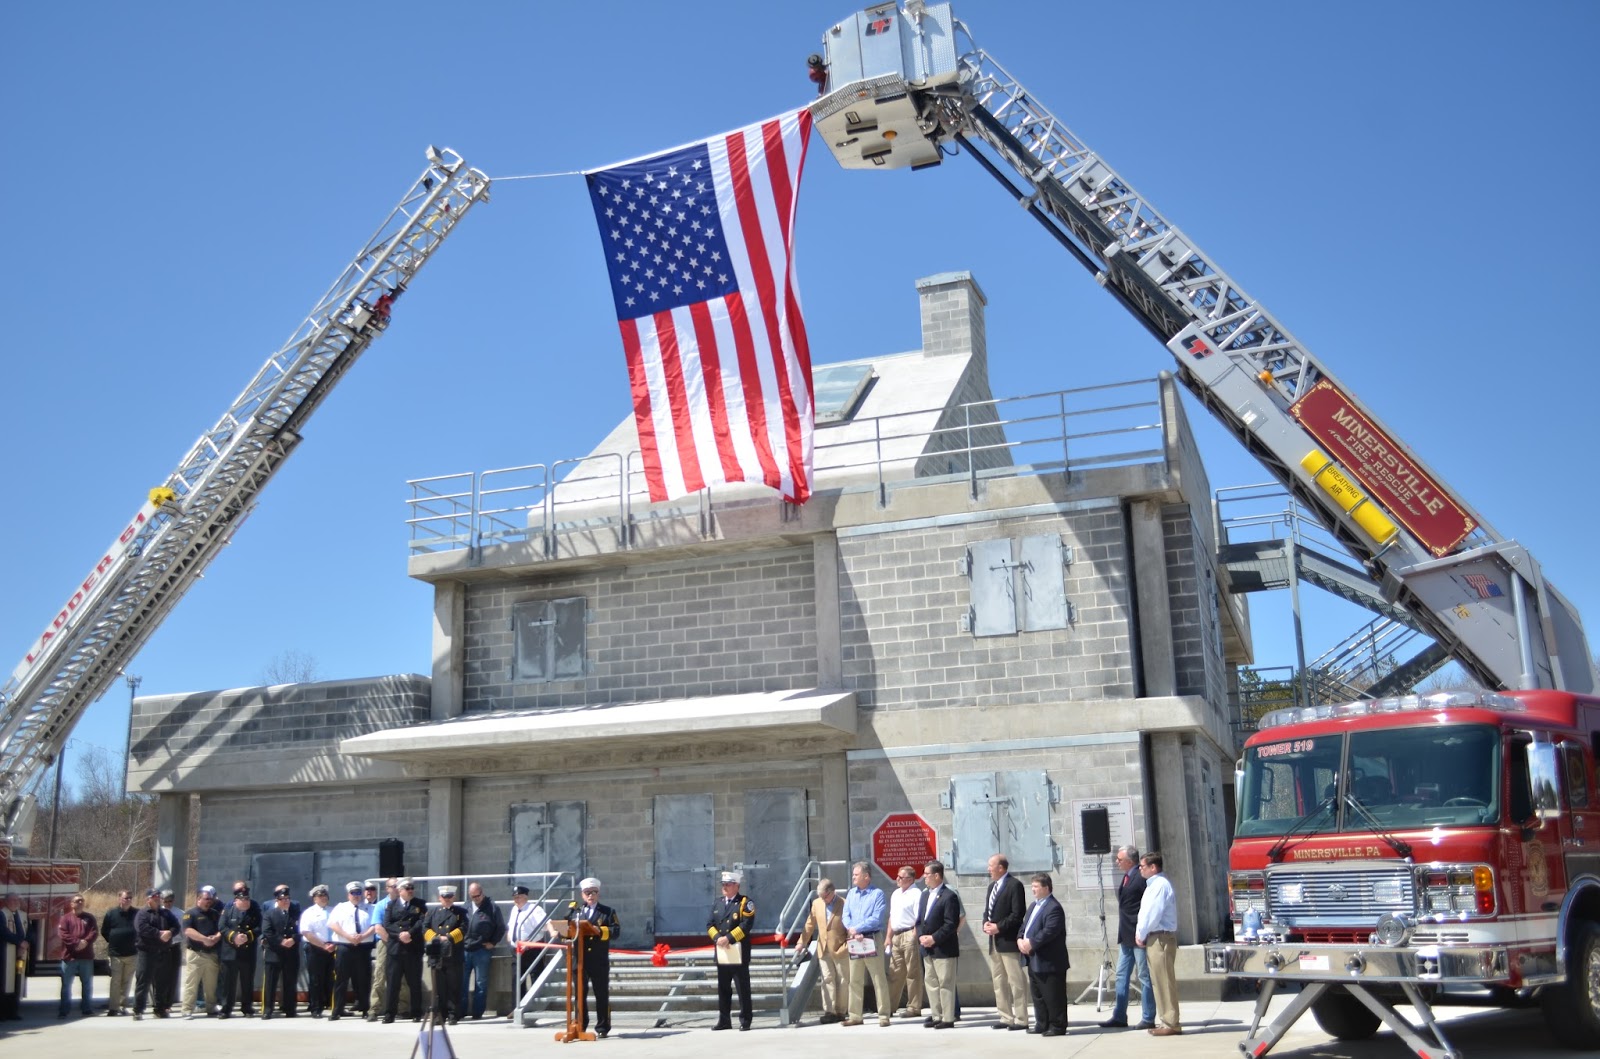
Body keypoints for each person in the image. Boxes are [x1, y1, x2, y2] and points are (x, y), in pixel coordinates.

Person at [1100, 844, 1156, 1030]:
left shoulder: (1140, 878)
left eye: (1119, 859)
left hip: (1138, 935)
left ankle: (1148, 1016)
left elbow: (1145, 907)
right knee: (1122, 974)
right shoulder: (1127, 877)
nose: (1117, 862)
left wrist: (1143, 931)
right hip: (1125, 935)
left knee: (1143, 976)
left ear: (1129, 861)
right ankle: (1119, 1015)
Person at [563, 876, 619, 1038]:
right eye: (587, 892)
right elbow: (567, 929)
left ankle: (602, 1027)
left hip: (598, 959)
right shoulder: (576, 912)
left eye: (593, 892)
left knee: (601, 994)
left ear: (598, 893)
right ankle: (580, 1024)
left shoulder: (608, 912)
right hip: (579, 960)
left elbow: (616, 932)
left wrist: (599, 930)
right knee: (579, 994)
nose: (590, 896)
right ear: (582, 895)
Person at [840, 861, 891, 1027]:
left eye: (856, 874)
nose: (853, 877)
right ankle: (855, 1015)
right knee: (854, 979)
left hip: (872, 938)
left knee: (878, 978)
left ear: (866, 876)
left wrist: (858, 928)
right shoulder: (851, 894)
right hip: (855, 940)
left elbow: (877, 918)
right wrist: (851, 929)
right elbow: (845, 916)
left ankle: (883, 1015)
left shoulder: (877, 894)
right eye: (853, 874)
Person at [1136, 851, 1181, 1036]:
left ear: (1153, 867)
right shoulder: (1153, 885)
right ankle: (1165, 1021)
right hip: (1155, 937)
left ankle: (1171, 1023)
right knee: (1158, 981)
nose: (1140, 869)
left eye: (1143, 866)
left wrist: (1141, 933)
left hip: (1160, 937)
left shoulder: (1159, 885)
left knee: (1164, 981)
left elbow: (1152, 914)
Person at [1017, 872, 1068, 1036]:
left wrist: (1031, 942)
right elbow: (1024, 926)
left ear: (1046, 888)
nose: (1033, 890)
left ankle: (1057, 1026)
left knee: (1053, 995)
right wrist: (1020, 939)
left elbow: (1049, 931)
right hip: (1033, 958)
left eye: (1036, 887)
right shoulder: (1033, 906)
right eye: (1032, 886)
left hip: (1050, 960)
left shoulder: (1054, 907)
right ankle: (1042, 1023)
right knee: (1038, 994)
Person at [982, 853, 1028, 1031]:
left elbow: (1017, 915)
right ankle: (1005, 1017)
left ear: (1001, 868)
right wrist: (986, 923)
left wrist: (998, 927)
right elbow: (988, 910)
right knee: (998, 981)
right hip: (994, 942)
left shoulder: (1014, 885)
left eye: (990, 865)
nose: (988, 869)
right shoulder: (991, 887)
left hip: (1008, 941)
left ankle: (1022, 1018)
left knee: (1015, 981)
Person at [793, 877, 848, 1023]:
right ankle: (830, 1011)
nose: (823, 899)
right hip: (823, 948)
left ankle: (841, 1011)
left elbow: (850, 925)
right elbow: (809, 924)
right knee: (827, 979)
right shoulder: (817, 904)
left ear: (832, 892)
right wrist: (801, 942)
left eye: (825, 896)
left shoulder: (844, 903)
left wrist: (848, 945)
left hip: (841, 947)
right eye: (820, 897)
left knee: (842, 980)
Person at [915, 860, 961, 1029]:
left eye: (927, 874)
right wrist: (921, 936)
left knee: (945, 983)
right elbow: (920, 920)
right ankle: (937, 1015)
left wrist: (933, 938)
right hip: (927, 948)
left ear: (936, 875)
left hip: (944, 948)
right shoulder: (925, 895)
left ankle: (948, 1018)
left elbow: (950, 924)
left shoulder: (950, 896)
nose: (924, 877)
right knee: (931, 983)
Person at [707, 869, 755, 1031]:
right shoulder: (717, 903)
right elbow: (709, 925)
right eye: (723, 884)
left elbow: (746, 925)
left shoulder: (745, 903)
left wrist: (728, 938)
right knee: (723, 989)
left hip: (738, 952)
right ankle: (724, 1020)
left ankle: (745, 1020)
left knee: (742, 988)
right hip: (722, 952)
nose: (724, 887)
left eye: (728, 884)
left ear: (736, 885)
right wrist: (717, 939)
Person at [329, 881, 378, 1020]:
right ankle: (337, 1010)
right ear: (348, 894)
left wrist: (362, 936)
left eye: (358, 893)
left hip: (363, 947)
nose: (356, 896)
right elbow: (333, 924)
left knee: (363, 978)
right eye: (353, 893)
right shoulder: (340, 907)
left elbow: (375, 925)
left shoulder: (370, 908)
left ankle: (364, 1008)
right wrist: (348, 936)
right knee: (341, 979)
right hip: (345, 946)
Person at [382, 879, 427, 1024]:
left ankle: (416, 1013)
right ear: (400, 890)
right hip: (396, 949)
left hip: (413, 949)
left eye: (412, 888)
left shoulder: (420, 904)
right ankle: (390, 1014)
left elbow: (421, 922)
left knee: (414, 983)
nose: (410, 890)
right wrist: (400, 935)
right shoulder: (391, 904)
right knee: (393, 983)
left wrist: (410, 934)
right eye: (407, 888)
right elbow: (387, 924)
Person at [423, 883, 469, 1025]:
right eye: (444, 897)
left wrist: (448, 938)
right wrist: (436, 938)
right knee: (439, 987)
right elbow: (425, 928)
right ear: (439, 898)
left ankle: (453, 1014)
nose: (447, 899)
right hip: (437, 954)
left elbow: (463, 929)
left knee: (454, 986)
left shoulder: (460, 912)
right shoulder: (432, 912)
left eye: (450, 897)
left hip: (453, 953)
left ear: (453, 897)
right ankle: (440, 1014)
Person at [460, 881, 505, 1019]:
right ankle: (461, 1011)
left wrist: (493, 942)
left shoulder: (492, 907)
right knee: (463, 981)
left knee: (481, 982)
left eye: (478, 896)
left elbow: (500, 927)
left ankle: (477, 1012)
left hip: (482, 950)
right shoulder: (466, 907)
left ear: (482, 893)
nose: (476, 899)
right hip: (466, 949)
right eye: (473, 896)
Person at [132, 889, 180, 1020]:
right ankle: (138, 1010)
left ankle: (160, 1009)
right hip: (146, 952)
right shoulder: (142, 914)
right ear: (148, 900)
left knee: (162, 983)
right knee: (143, 981)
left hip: (163, 952)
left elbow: (176, 926)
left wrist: (170, 933)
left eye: (158, 897)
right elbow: (142, 929)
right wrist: (159, 934)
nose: (157, 899)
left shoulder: (166, 913)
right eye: (154, 897)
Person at [885, 865, 925, 1019]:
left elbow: (918, 918)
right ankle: (890, 1006)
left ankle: (914, 1007)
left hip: (909, 933)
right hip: (896, 934)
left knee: (912, 972)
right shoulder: (895, 894)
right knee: (894, 971)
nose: (897, 879)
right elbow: (892, 916)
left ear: (909, 879)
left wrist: (914, 936)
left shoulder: (916, 894)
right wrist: (889, 936)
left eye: (900, 877)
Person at [217, 884, 261, 1017]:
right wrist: (234, 937)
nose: (246, 902)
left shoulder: (254, 909)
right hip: (230, 951)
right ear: (236, 901)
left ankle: (247, 1008)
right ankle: (226, 1008)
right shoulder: (228, 909)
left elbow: (259, 927)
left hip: (247, 951)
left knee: (247, 981)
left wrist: (247, 936)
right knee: (228, 983)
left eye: (247, 899)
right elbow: (222, 926)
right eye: (243, 900)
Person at [180, 885, 222, 1018]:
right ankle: (187, 1009)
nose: (209, 901)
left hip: (211, 954)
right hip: (195, 954)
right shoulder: (190, 913)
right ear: (199, 899)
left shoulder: (215, 914)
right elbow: (188, 931)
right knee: (191, 983)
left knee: (211, 984)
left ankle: (211, 1007)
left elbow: (222, 928)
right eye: (206, 899)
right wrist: (204, 939)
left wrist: (216, 937)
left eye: (210, 899)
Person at [507, 882, 550, 1015]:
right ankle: (517, 1008)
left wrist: (553, 932)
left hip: (532, 949)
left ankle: (536, 1007)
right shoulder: (515, 909)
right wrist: (509, 938)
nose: (516, 899)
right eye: (514, 897)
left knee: (535, 977)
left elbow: (545, 924)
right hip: (517, 949)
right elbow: (511, 926)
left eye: (519, 896)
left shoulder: (534, 909)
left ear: (526, 897)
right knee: (517, 979)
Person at [260, 884, 301, 1019]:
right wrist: (281, 941)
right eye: (283, 899)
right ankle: (267, 1009)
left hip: (291, 953)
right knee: (270, 983)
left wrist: (293, 939)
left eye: (288, 899)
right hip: (274, 952)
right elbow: (267, 931)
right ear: (277, 900)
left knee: (290, 982)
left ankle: (290, 1009)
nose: (286, 901)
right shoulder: (269, 914)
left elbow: (301, 930)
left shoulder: (295, 913)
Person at [57, 892, 98, 1017]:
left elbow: (94, 932)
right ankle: (64, 1010)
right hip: (69, 957)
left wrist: (85, 941)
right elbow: (63, 934)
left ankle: (86, 1008)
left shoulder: (89, 918)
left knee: (87, 984)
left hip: (86, 957)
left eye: (82, 901)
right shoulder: (65, 918)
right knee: (66, 985)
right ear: (72, 904)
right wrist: (77, 942)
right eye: (77, 901)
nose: (80, 903)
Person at [299, 884, 336, 1018]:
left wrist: (333, 945)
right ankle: (316, 1008)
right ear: (314, 899)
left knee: (332, 978)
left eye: (325, 895)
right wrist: (323, 945)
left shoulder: (334, 911)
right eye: (320, 896)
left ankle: (334, 1005)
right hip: (315, 948)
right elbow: (307, 933)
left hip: (333, 948)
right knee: (316, 979)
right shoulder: (309, 913)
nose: (323, 898)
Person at [101, 890, 139, 1016]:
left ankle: (123, 1006)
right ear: (119, 899)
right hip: (116, 953)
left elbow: (140, 929)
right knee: (115, 981)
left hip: (132, 953)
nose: (128, 900)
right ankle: (113, 1008)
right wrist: (113, 940)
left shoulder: (136, 913)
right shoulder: (111, 914)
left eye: (130, 898)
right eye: (125, 898)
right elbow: (104, 931)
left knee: (127, 981)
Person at [367, 880, 397, 1022]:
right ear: (387, 889)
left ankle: (403, 1008)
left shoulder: (403, 904)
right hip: (385, 943)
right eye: (393, 886)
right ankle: (374, 1009)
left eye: (398, 886)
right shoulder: (380, 905)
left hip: (399, 943)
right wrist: (390, 940)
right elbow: (377, 927)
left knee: (401, 977)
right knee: (380, 975)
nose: (396, 889)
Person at [1, 892, 28, 1020]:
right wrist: (19, 942)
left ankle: (13, 1012)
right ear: (6, 902)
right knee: (4, 983)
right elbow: (3, 932)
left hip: (20, 956)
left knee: (17, 981)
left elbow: (30, 932)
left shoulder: (23, 915)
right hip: (5, 956)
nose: (14, 902)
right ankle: (2, 1013)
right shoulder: (2, 914)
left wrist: (26, 943)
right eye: (11, 900)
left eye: (16, 900)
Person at [161, 890, 182, 1005]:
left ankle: (169, 1002)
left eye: (170, 901)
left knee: (173, 975)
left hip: (174, 946)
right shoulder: (158, 912)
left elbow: (183, 932)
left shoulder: (179, 913)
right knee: (160, 974)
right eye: (165, 901)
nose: (168, 903)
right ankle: (160, 1000)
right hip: (161, 947)